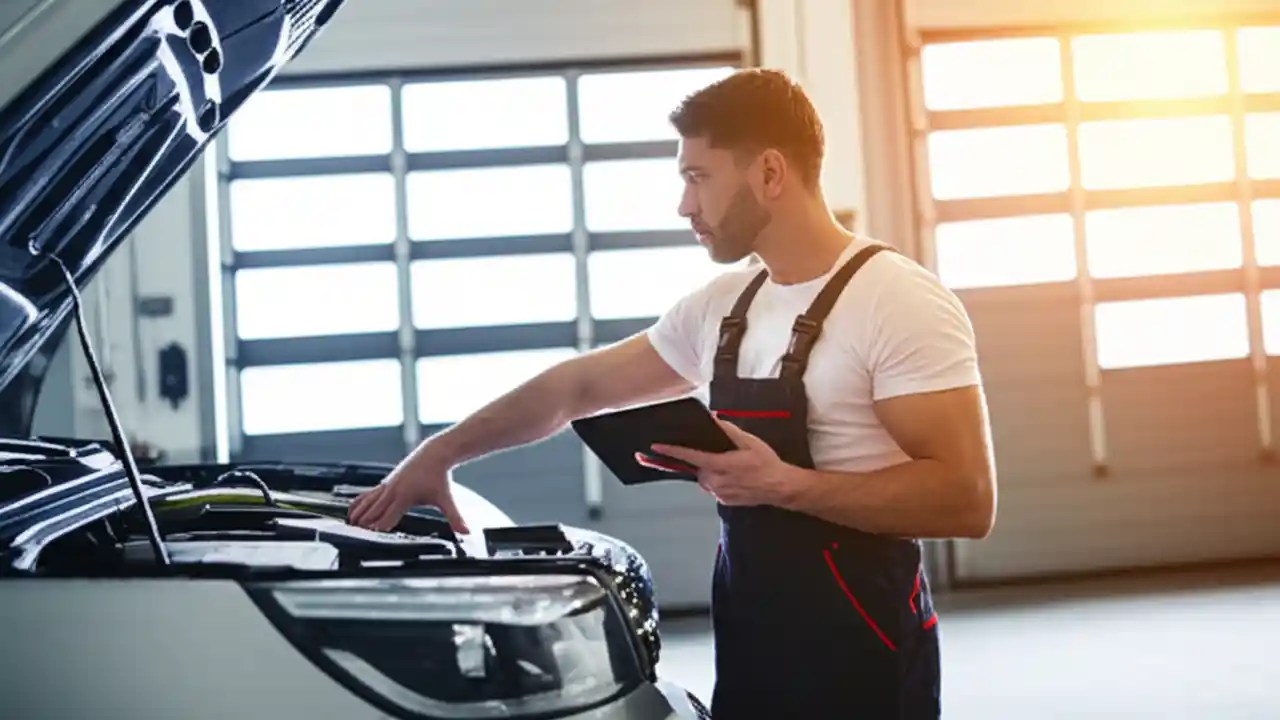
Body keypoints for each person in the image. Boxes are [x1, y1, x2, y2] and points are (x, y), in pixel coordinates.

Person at [349, 68, 996, 718]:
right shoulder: (725, 305)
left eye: (697, 177)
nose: (685, 206)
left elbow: (967, 501)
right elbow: (576, 387)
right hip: (752, 638)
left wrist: (782, 485)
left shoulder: (897, 300)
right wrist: (439, 454)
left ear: (770, 173)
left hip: (866, 645)